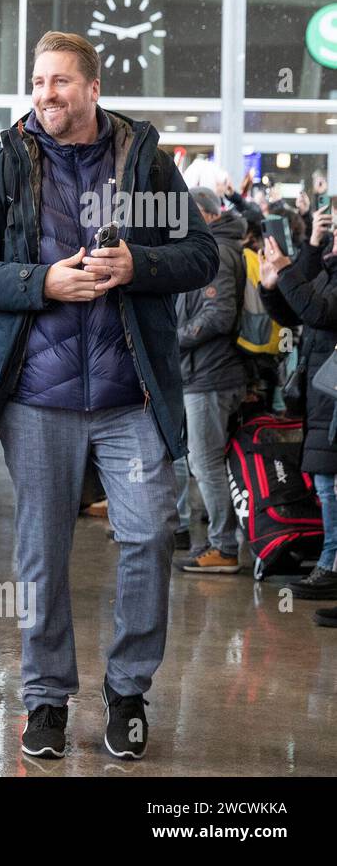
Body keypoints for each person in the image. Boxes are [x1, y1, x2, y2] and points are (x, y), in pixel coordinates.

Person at [0, 31, 217, 761]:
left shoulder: (145, 164)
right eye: (38, 82)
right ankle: (45, 699)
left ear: (93, 89)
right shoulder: (4, 166)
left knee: (149, 536)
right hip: (39, 399)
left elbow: (201, 254)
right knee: (40, 553)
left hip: (131, 398)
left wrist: (139, 265)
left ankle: (128, 691)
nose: (46, 95)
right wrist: (43, 284)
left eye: (61, 82)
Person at [259, 221, 337, 607]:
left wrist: (289, 267)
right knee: (326, 485)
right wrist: (271, 286)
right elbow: (297, 315)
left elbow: (319, 311)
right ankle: (329, 563)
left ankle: (330, 565)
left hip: (331, 401)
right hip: (321, 398)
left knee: (330, 486)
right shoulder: (328, 268)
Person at [176, 187, 248, 574]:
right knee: (201, 461)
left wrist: (173, 341)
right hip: (204, 372)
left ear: (203, 215)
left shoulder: (216, 254)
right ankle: (218, 540)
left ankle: (223, 547)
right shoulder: (213, 247)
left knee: (205, 463)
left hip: (210, 375)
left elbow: (218, 315)